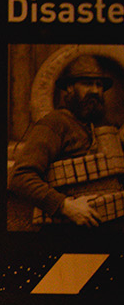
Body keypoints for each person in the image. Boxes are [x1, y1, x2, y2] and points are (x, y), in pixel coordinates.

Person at [8, 54, 123, 228]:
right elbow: (20, 177)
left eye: (99, 85)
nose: (95, 90)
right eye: (87, 83)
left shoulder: (97, 126)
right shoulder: (55, 124)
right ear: (69, 87)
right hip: (68, 230)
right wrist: (65, 206)